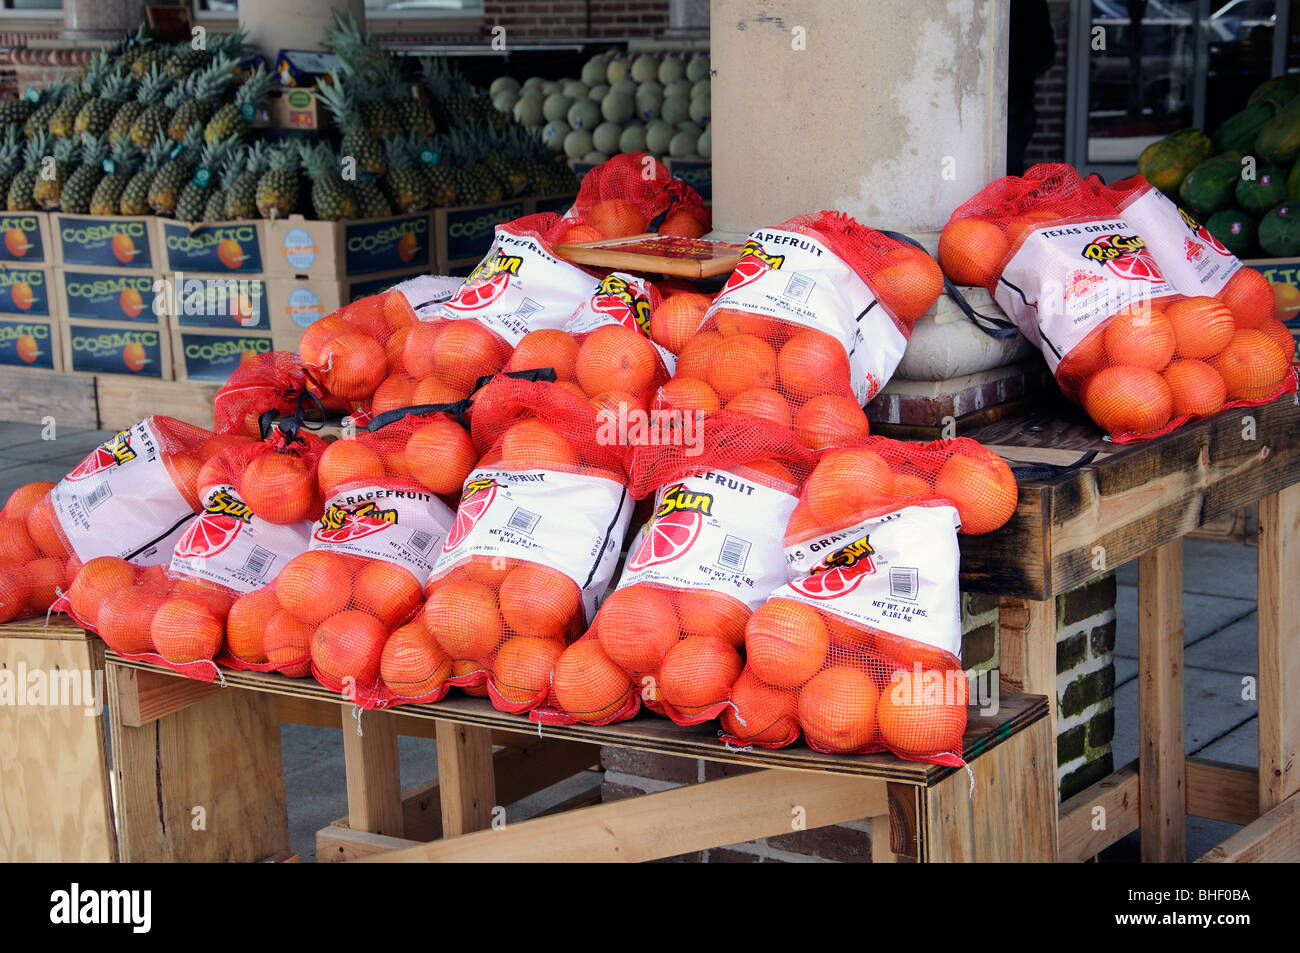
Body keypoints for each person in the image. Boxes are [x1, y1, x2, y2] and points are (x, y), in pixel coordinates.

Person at [1007, 0, 1057, 176]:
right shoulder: (1033, 5)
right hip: (1019, 96)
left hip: (1007, 98)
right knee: (1010, 172)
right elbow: (1048, 54)